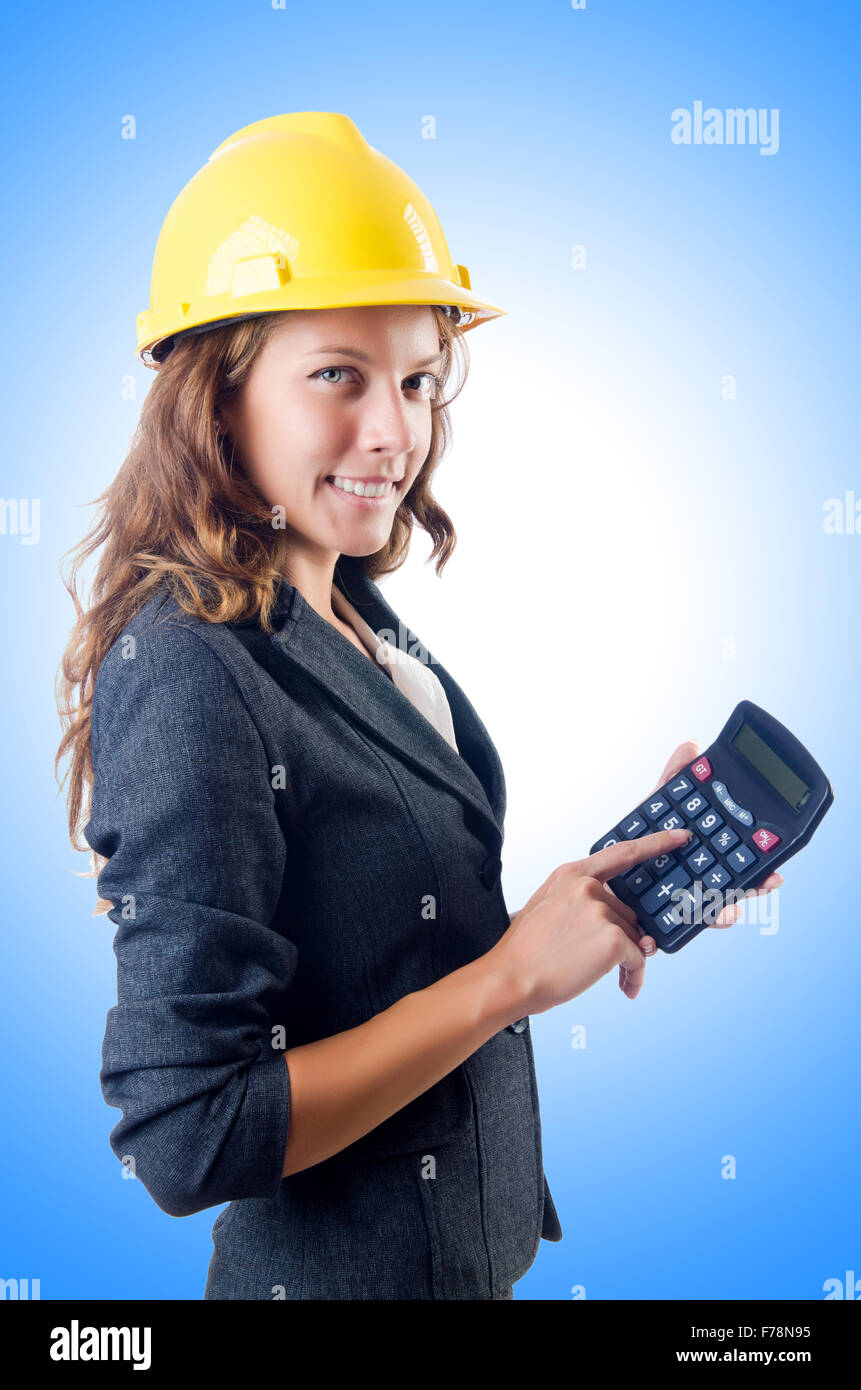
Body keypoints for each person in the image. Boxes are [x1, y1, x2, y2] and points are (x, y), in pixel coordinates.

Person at [55, 113, 782, 1301]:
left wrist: (605, 897)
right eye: (336, 375)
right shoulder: (189, 667)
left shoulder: (353, 612)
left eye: (418, 379)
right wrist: (510, 981)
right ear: (216, 397)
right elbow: (191, 1135)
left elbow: (399, 932)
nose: (395, 432)